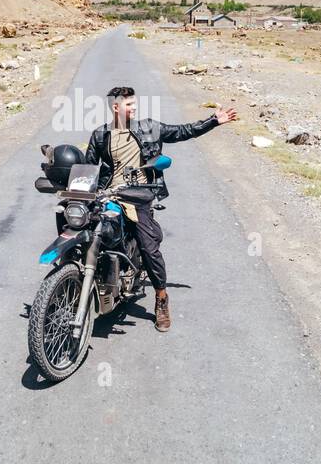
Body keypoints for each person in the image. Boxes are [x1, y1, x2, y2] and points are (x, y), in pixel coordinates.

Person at [83, 86, 237, 332]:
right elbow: (88, 167)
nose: (134, 108)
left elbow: (182, 131)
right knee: (85, 230)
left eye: (134, 104)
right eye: (129, 105)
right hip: (108, 195)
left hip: (138, 195)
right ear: (115, 107)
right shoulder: (101, 135)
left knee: (148, 247)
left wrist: (214, 121)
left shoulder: (148, 127)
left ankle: (161, 297)